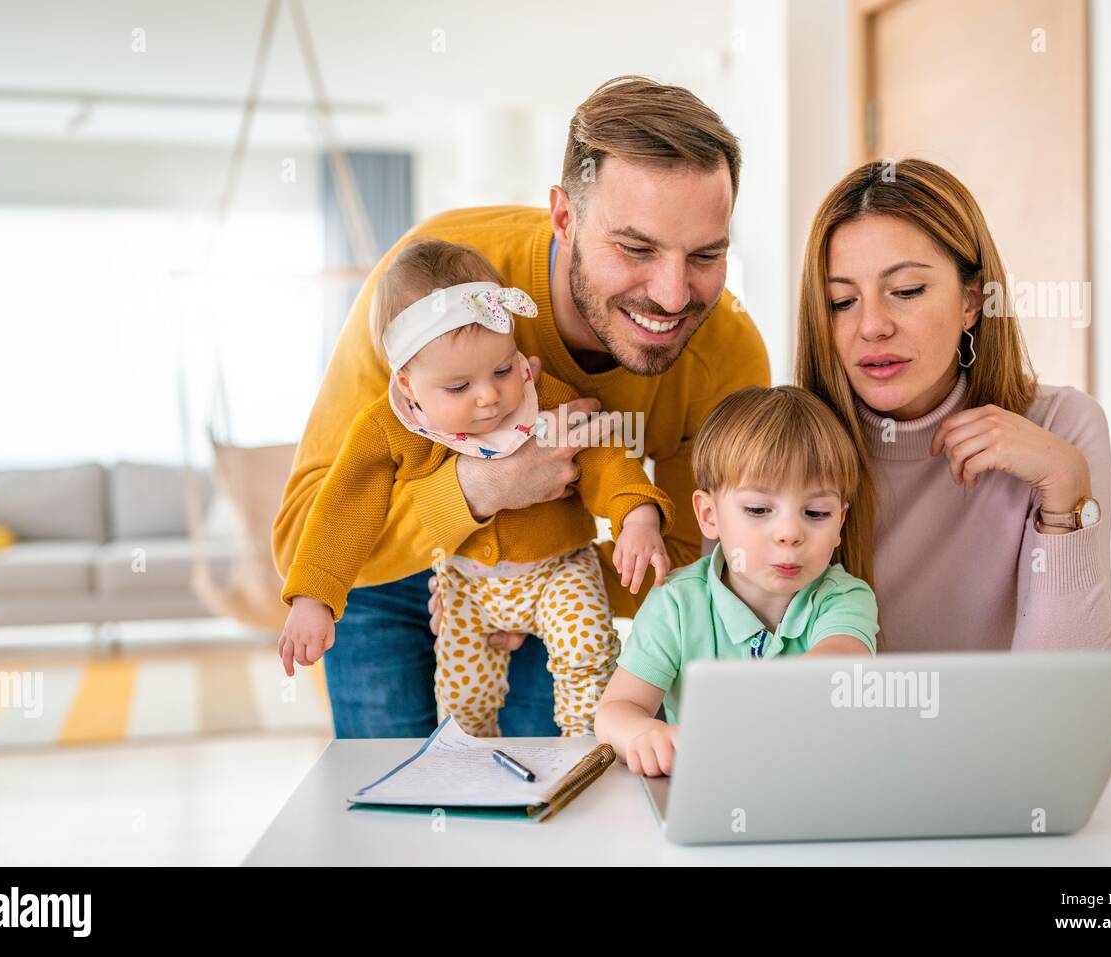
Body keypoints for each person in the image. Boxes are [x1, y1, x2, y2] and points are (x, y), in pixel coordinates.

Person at [272, 76, 770, 737]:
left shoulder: (727, 357)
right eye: (636, 249)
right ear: (564, 216)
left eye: (706, 255)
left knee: (549, 795)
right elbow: (304, 535)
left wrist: (533, 580)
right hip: (389, 564)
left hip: (562, 569)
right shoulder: (428, 292)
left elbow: (692, 566)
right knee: (398, 803)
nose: (675, 295)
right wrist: (481, 490)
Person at [277, 240, 673, 737]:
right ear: (407, 386)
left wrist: (636, 515)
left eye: (503, 369)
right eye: (459, 387)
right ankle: (465, 759)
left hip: (560, 570)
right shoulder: (385, 427)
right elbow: (344, 506)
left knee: (587, 648)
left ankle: (586, 745)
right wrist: (313, 597)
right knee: (462, 692)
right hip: (466, 582)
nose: (489, 396)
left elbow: (603, 455)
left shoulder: (543, 398)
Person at [797, 158, 1111, 651]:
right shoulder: (784, 447)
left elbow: (1071, 701)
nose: (872, 326)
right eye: (842, 301)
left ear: (972, 301)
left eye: (905, 291)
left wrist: (1067, 487)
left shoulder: (1061, 429)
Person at [595, 385, 878, 776]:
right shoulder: (677, 603)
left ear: (840, 524)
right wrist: (645, 734)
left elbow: (841, 662)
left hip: (817, 783)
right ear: (709, 515)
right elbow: (614, 712)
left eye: (816, 513)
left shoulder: (844, 597)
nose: (789, 533)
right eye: (760, 509)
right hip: (711, 787)